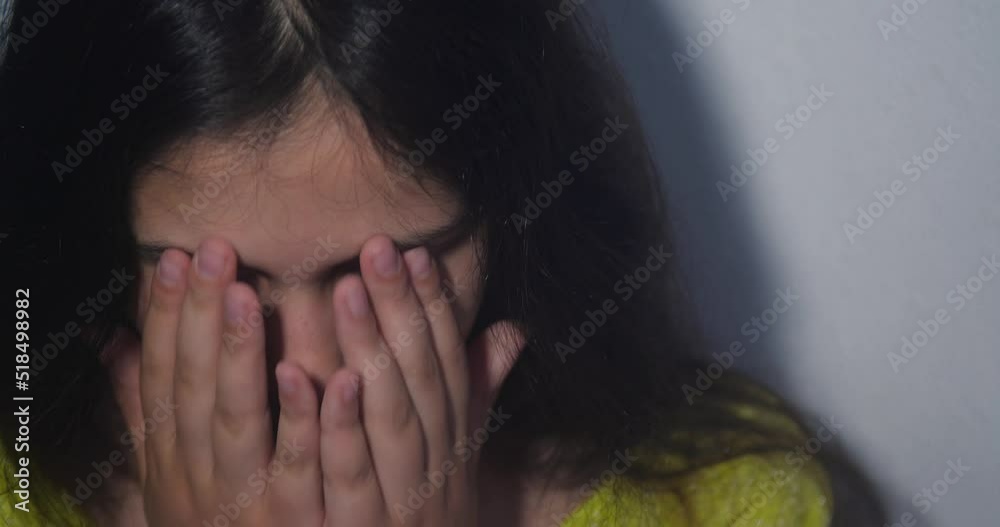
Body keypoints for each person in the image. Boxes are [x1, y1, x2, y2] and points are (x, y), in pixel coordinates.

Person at [0, 1, 833, 525]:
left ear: (517, 210)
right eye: (216, 280)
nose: (318, 372)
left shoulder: (731, 502)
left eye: (391, 271)